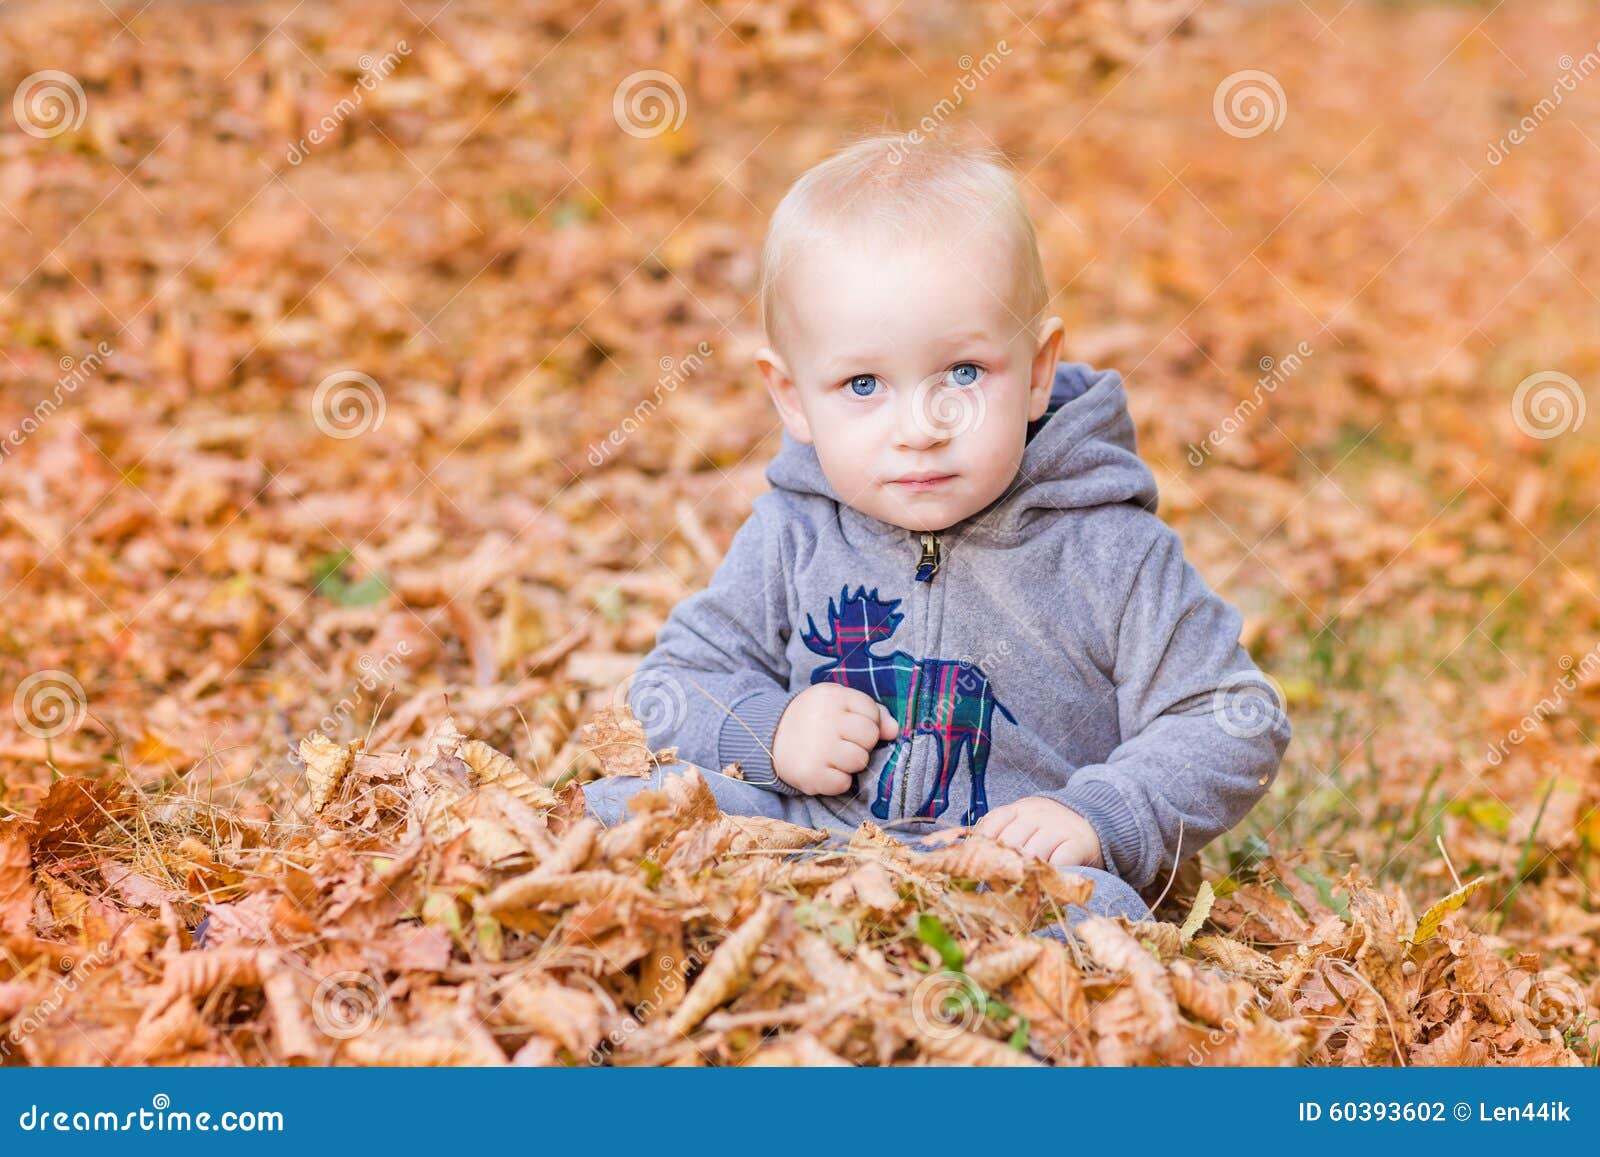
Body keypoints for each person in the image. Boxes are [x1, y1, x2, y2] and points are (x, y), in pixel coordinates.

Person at [585, 133, 1291, 932]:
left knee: (1100, 923)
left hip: (1014, 880)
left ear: (1035, 372)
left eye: (962, 373)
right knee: (625, 811)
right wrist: (769, 730)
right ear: (791, 397)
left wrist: (1100, 814)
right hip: (812, 848)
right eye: (863, 384)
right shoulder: (794, 531)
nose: (920, 428)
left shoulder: (1111, 552)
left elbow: (1233, 714)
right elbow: (670, 684)